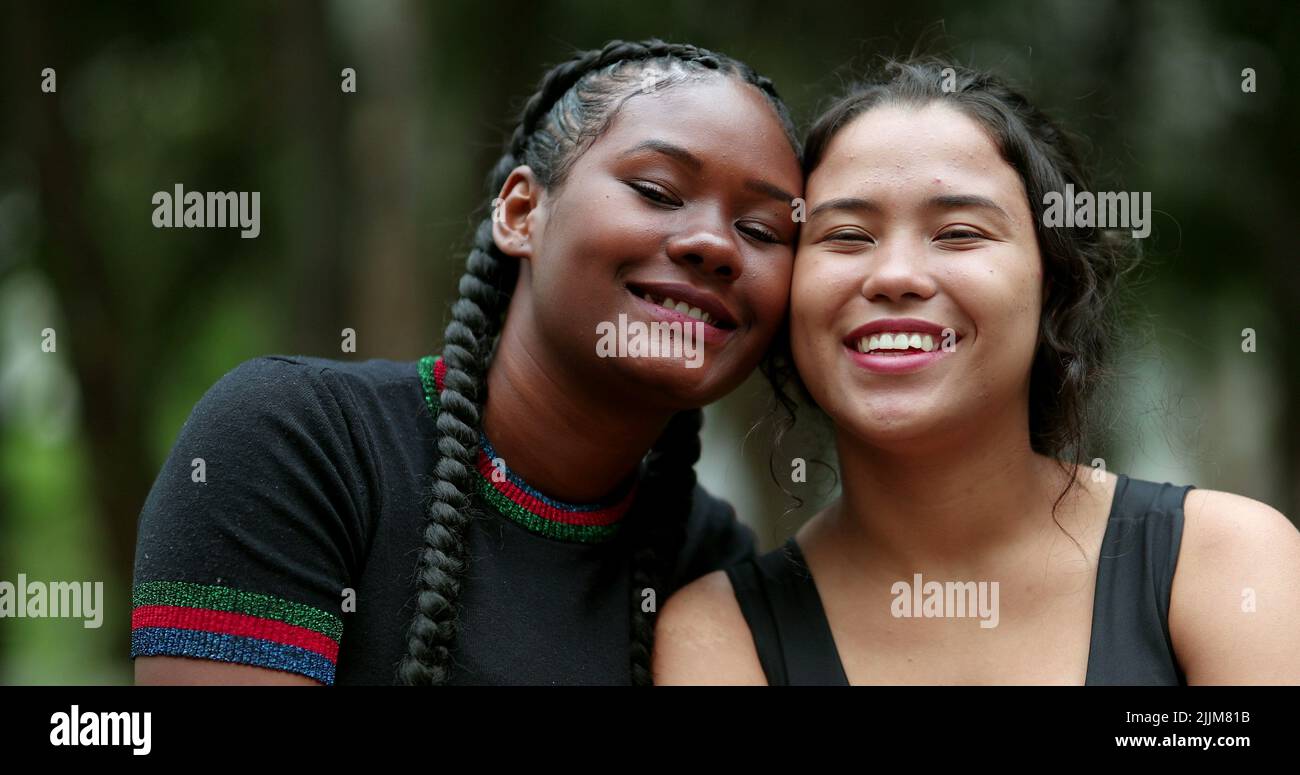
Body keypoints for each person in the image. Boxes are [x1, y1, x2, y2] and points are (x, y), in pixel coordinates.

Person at [131, 39, 803, 685]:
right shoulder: (291, 444)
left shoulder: (707, 557)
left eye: (762, 230)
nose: (716, 244)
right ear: (519, 212)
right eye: (657, 191)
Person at [653, 59, 1300, 685]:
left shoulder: (1225, 562)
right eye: (847, 236)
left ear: (1053, 283)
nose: (896, 275)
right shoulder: (719, 633)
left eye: (960, 233)